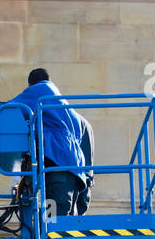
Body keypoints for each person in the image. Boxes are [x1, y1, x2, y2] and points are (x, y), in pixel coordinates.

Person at [5, 69, 94, 216]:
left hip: (59, 163)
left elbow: (9, 108)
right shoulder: (60, 102)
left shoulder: (40, 90)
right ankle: (57, 236)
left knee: (55, 215)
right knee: (62, 214)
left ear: (30, 84)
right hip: (73, 166)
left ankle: (53, 237)